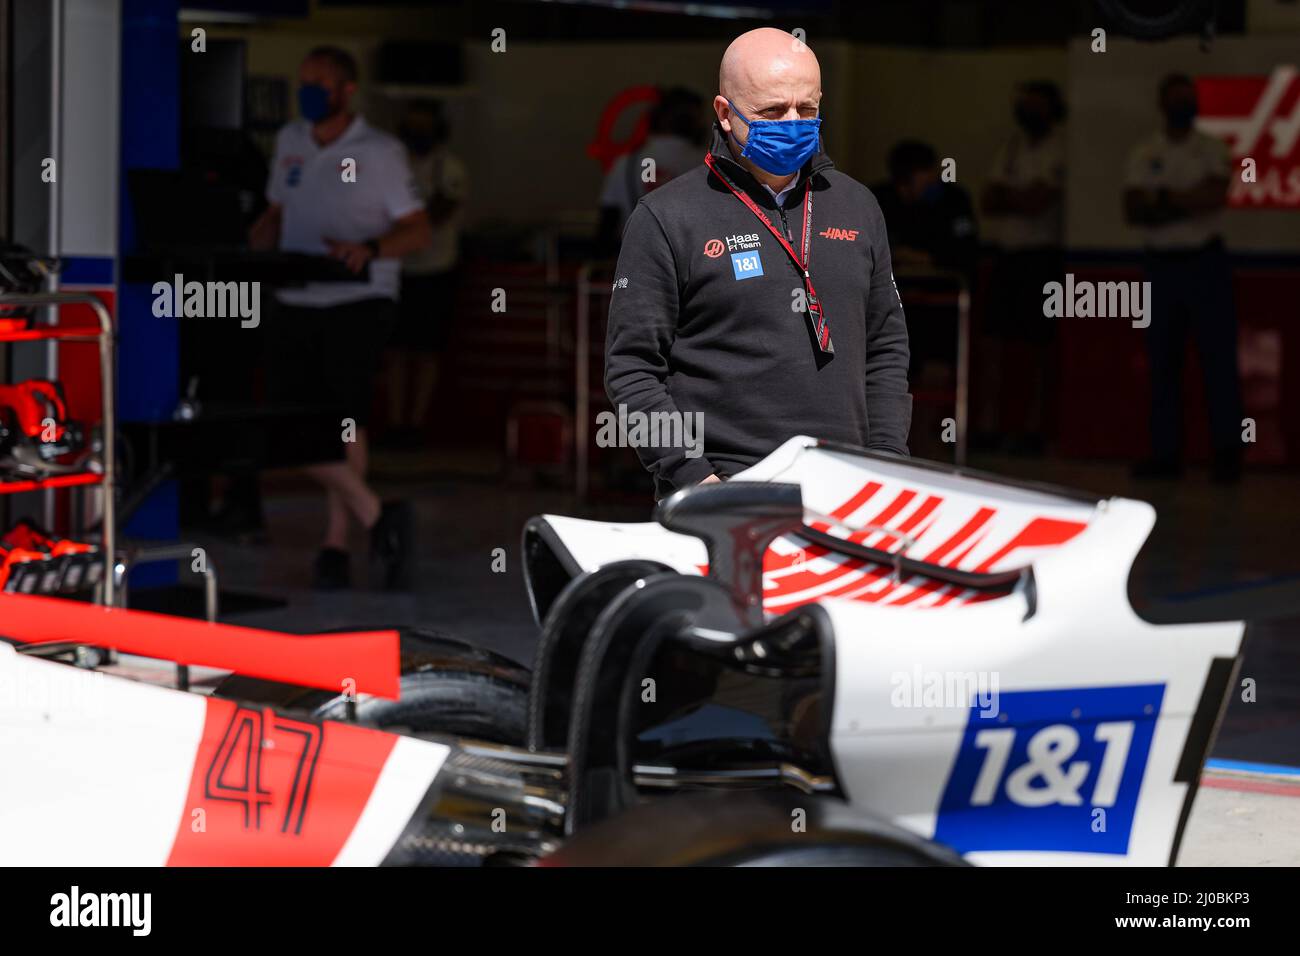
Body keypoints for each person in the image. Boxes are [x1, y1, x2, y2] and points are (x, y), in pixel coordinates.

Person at [605, 28, 911, 499]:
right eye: (772, 111)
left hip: (849, 489)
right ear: (725, 113)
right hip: (724, 493)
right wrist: (695, 479)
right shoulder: (666, 217)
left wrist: (886, 463)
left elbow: (886, 347)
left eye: (806, 109)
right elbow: (632, 370)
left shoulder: (858, 205)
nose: (792, 122)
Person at [248, 46, 432, 589]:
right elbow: (277, 211)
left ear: (347, 90)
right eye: (303, 81)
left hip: (359, 296)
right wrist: (249, 243)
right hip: (296, 293)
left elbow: (417, 230)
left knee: (345, 418)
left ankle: (335, 544)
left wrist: (370, 248)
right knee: (284, 421)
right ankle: (379, 517)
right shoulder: (289, 141)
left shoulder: (381, 151)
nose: (309, 91)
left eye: (320, 83)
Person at [1124, 73, 1243, 483]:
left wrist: (1161, 199)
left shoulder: (1211, 149)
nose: (1182, 104)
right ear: (1162, 103)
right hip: (1160, 267)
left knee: (1218, 361)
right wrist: (1184, 199)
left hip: (1205, 264)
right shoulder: (1145, 151)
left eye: (1187, 98)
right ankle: (1165, 456)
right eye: (1175, 98)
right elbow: (1133, 208)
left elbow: (1212, 196)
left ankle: (1227, 456)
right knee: (1162, 363)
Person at [978, 81, 1066, 454]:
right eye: (1025, 103)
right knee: (996, 344)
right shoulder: (1011, 145)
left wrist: (1014, 196)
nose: (1029, 111)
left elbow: (1038, 201)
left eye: (1037, 104)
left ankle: (1033, 432)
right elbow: (988, 200)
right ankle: (992, 427)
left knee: (1038, 348)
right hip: (1006, 255)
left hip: (1041, 259)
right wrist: (1021, 196)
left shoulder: (1062, 146)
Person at [385, 101, 467, 447]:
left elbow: (436, 215)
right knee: (396, 351)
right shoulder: (392, 166)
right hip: (398, 269)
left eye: (425, 129)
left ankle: (416, 424)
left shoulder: (450, 168)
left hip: (436, 268)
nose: (418, 136)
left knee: (426, 350)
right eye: (412, 129)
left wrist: (399, 221)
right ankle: (395, 424)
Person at [596, 87, 707, 254]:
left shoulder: (626, 163)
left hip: (638, 257)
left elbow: (608, 220)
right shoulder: (704, 161)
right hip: (692, 258)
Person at [874, 139, 978, 280]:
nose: (904, 191)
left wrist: (923, 258)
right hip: (890, 285)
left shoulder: (954, 200)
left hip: (941, 285)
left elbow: (967, 252)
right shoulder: (880, 198)